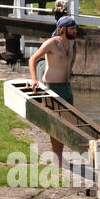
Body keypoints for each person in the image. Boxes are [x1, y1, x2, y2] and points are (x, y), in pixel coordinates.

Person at [28, 16, 79, 164]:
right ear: (62, 29)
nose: (75, 31)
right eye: (72, 28)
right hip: (53, 86)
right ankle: (57, 157)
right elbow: (33, 59)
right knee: (56, 123)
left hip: (66, 87)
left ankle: (60, 155)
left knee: (68, 122)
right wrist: (34, 79)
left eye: (76, 28)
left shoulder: (72, 42)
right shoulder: (51, 43)